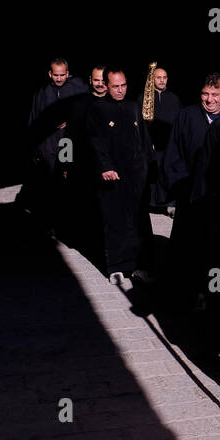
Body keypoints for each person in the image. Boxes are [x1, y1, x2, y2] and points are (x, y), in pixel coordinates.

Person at [164, 73, 220, 306]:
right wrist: (180, 187)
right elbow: (173, 155)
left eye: (215, 94)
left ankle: (213, 294)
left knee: (215, 249)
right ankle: (184, 295)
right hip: (190, 195)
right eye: (205, 94)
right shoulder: (187, 116)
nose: (209, 100)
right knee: (187, 248)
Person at [86, 69, 154, 283]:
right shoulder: (97, 110)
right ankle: (116, 266)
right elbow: (94, 141)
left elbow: (143, 138)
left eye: (123, 85)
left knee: (139, 221)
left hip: (136, 175)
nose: (120, 90)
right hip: (112, 175)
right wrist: (104, 167)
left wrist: (149, 166)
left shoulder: (133, 107)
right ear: (106, 86)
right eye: (115, 86)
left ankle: (140, 265)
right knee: (115, 221)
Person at [26, 57, 88, 229]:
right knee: (49, 180)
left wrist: (71, 121)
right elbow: (35, 119)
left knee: (66, 178)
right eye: (56, 75)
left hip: (66, 141)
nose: (59, 78)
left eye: (62, 75)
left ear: (67, 73)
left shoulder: (78, 89)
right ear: (50, 74)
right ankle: (52, 222)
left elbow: (87, 112)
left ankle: (68, 221)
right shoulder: (42, 92)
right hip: (48, 142)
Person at [66, 65, 109, 255]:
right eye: (96, 80)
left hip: (109, 165)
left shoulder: (116, 102)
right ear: (90, 81)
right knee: (85, 206)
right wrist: (65, 163)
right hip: (84, 164)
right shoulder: (79, 104)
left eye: (103, 80)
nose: (100, 84)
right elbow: (68, 137)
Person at [142, 65, 181, 209]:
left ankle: (168, 202)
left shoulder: (174, 98)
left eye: (164, 77)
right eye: (158, 77)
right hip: (151, 144)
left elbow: (178, 122)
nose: (162, 80)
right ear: (152, 79)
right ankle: (152, 203)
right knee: (152, 173)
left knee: (168, 171)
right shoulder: (144, 98)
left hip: (169, 144)